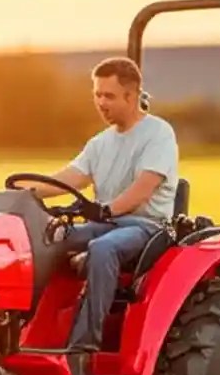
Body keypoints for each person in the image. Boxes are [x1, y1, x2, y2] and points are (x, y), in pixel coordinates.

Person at [25, 56, 178, 353]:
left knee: (103, 248)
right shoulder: (100, 143)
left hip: (146, 226)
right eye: (97, 94)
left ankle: (83, 345)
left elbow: (143, 189)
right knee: (46, 239)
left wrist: (107, 210)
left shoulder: (158, 134)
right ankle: (24, 329)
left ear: (131, 96)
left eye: (108, 95)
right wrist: (28, 192)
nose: (101, 102)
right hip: (102, 223)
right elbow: (72, 178)